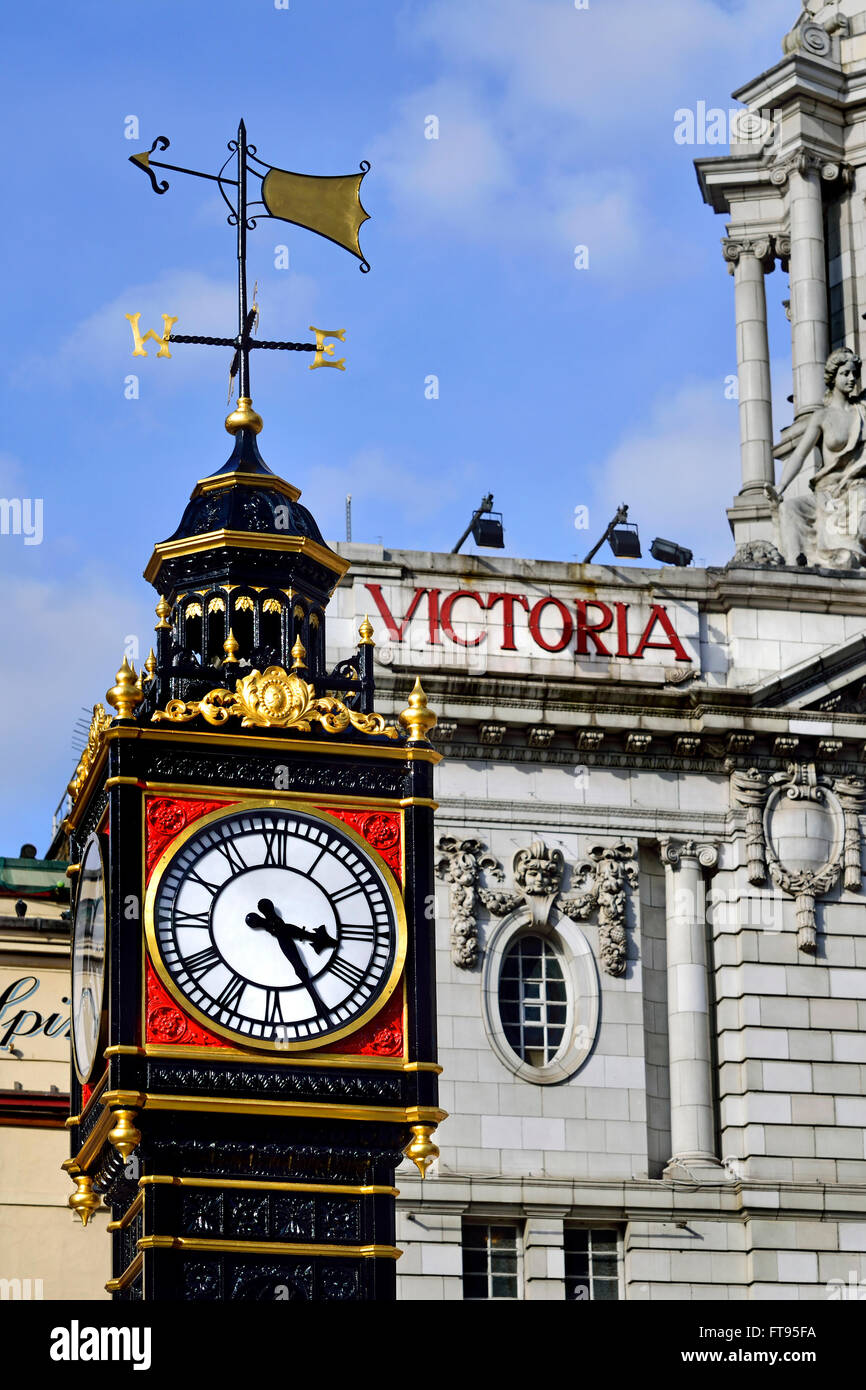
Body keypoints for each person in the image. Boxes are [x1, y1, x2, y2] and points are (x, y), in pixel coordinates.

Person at [771, 347, 866, 567]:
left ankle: (842, 553)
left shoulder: (861, 412)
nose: (851, 379)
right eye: (845, 374)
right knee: (789, 508)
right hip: (826, 492)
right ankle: (797, 566)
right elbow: (799, 455)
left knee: (860, 500)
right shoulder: (821, 417)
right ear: (833, 378)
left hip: (854, 488)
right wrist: (781, 486)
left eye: (854, 374)